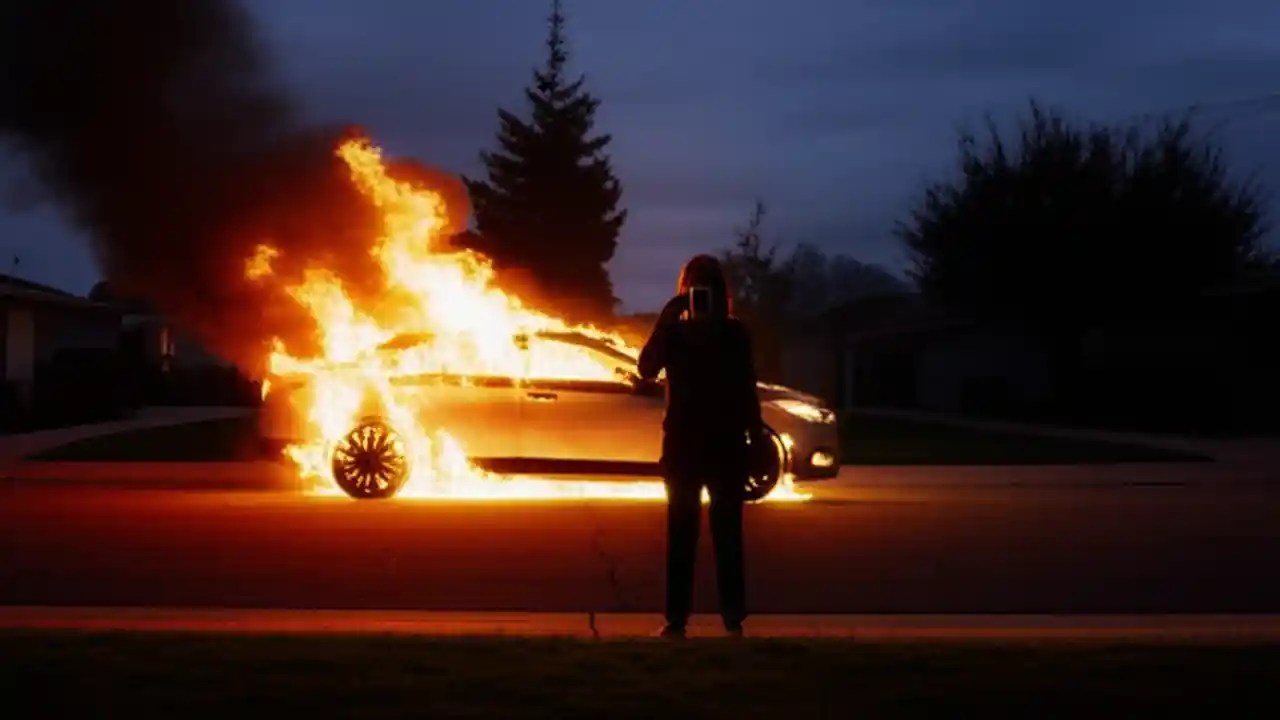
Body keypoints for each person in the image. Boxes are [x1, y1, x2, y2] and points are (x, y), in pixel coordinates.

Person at [638, 254, 765, 638]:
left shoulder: (733, 334)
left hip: (713, 446)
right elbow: (646, 367)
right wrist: (667, 320)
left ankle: (720, 617)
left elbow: (746, 389)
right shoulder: (676, 335)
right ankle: (696, 618)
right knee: (692, 533)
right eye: (695, 290)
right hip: (690, 447)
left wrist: (755, 438)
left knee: (713, 534)